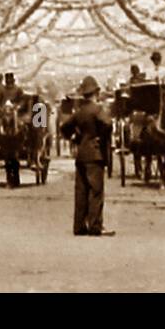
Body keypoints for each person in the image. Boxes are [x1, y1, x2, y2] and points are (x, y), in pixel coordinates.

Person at [60, 75, 113, 237]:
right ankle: (95, 226)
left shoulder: (79, 112)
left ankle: (79, 226)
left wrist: (76, 137)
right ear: (96, 93)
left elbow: (65, 128)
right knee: (96, 191)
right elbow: (108, 124)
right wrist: (100, 138)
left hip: (81, 155)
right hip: (95, 155)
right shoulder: (97, 109)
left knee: (81, 191)